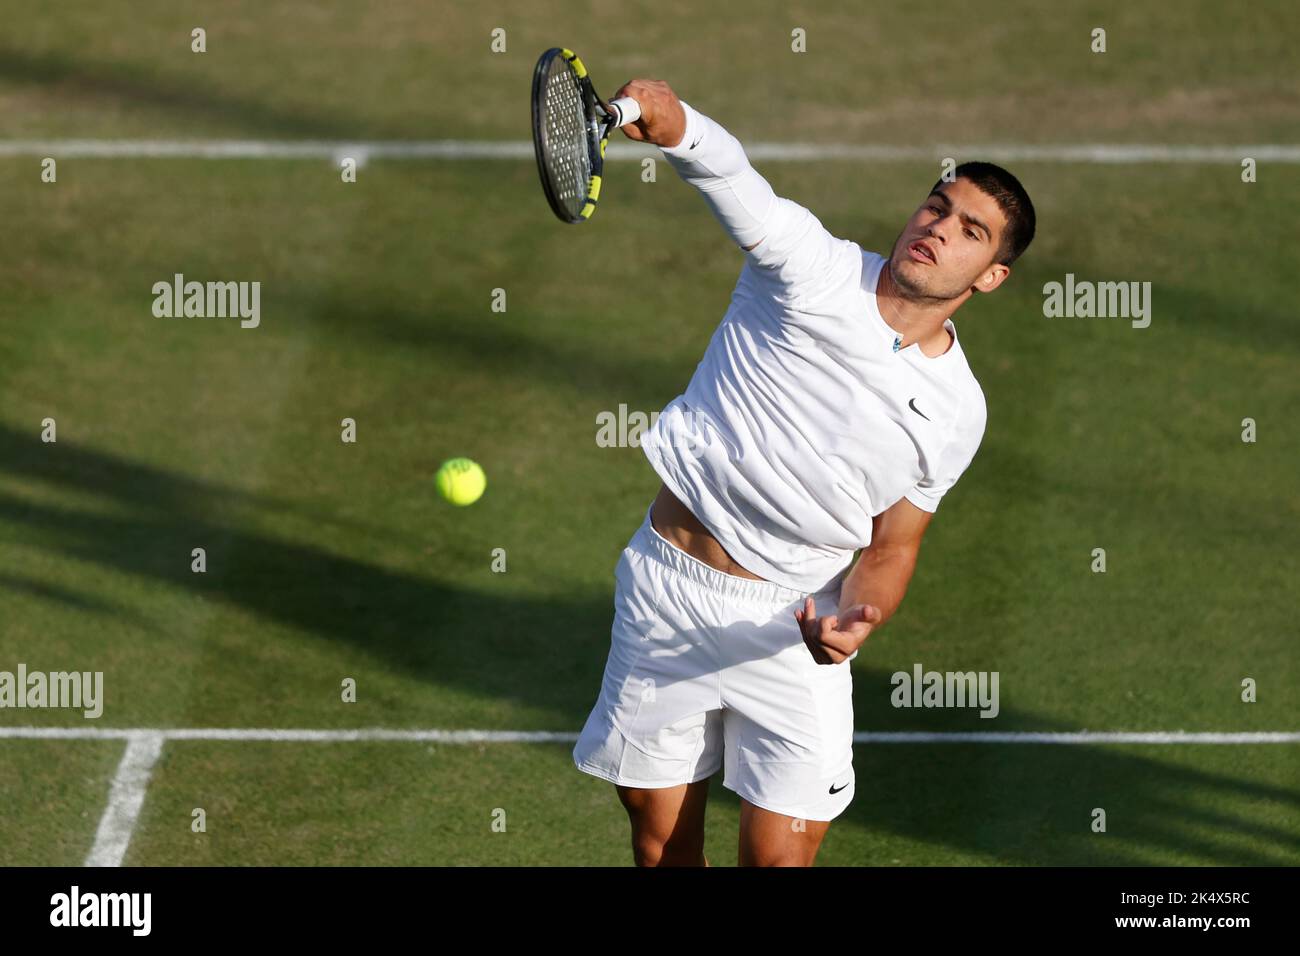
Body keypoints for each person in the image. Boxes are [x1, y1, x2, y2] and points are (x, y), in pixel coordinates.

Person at [573, 79, 1036, 866]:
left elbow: (894, 545)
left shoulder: (959, 410)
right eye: (936, 205)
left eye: (970, 231)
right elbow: (728, 174)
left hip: (793, 627)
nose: (938, 229)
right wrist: (671, 118)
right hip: (666, 592)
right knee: (659, 849)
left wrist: (861, 619)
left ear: (990, 275)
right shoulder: (811, 268)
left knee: (779, 862)